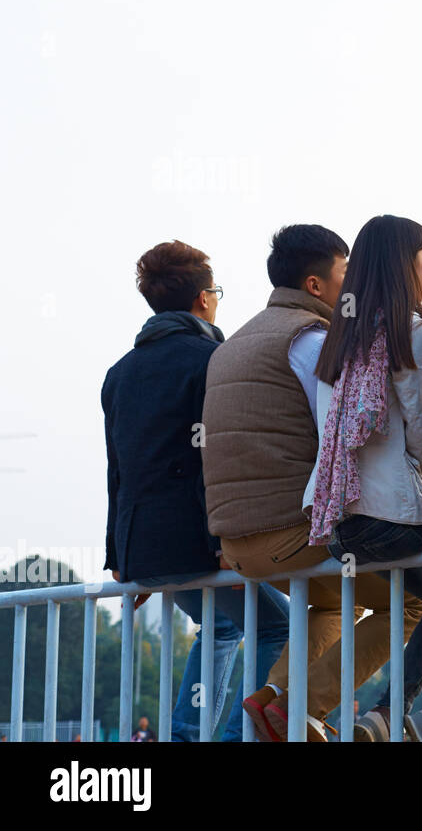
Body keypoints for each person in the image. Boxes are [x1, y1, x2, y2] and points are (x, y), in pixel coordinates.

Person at [204, 223, 422, 742]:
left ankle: (272, 697)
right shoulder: (311, 342)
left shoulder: (232, 344)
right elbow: (341, 435)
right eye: (346, 272)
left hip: (235, 544)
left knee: (330, 603)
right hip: (289, 535)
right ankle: (309, 705)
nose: (355, 282)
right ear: (316, 285)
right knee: (415, 598)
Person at [308, 214, 422, 743]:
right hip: (392, 513)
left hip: (344, 518)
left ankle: (389, 715)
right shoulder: (407, 328)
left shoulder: (338, 336)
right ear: (406, 264)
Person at [103, 240, 289, 742]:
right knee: (281, 628)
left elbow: (117, 470)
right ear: (204, 299)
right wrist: (220, 543)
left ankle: (185, 735)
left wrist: (119, 555)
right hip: (197, 545)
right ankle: (238, 737)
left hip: (143, 550)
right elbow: (213, 458)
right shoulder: (213, 359)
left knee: (223, 625)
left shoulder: (119, 373)